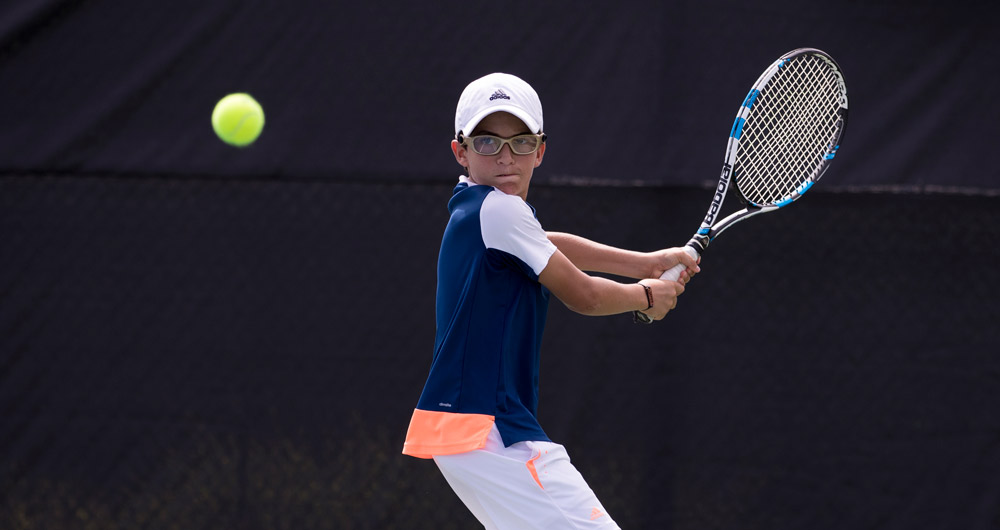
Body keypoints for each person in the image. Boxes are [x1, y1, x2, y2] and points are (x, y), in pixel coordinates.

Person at [402, 72, 699, 529]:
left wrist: (645, 262)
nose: (505, 157)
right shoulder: (498, 209)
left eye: (520, 143)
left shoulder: (477, 209)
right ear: (460, 150)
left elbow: (544, 242)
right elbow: (583, 294)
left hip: (467, 432)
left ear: (540, 150)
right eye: (487, 143)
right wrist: (645, 296)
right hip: (490, 428)